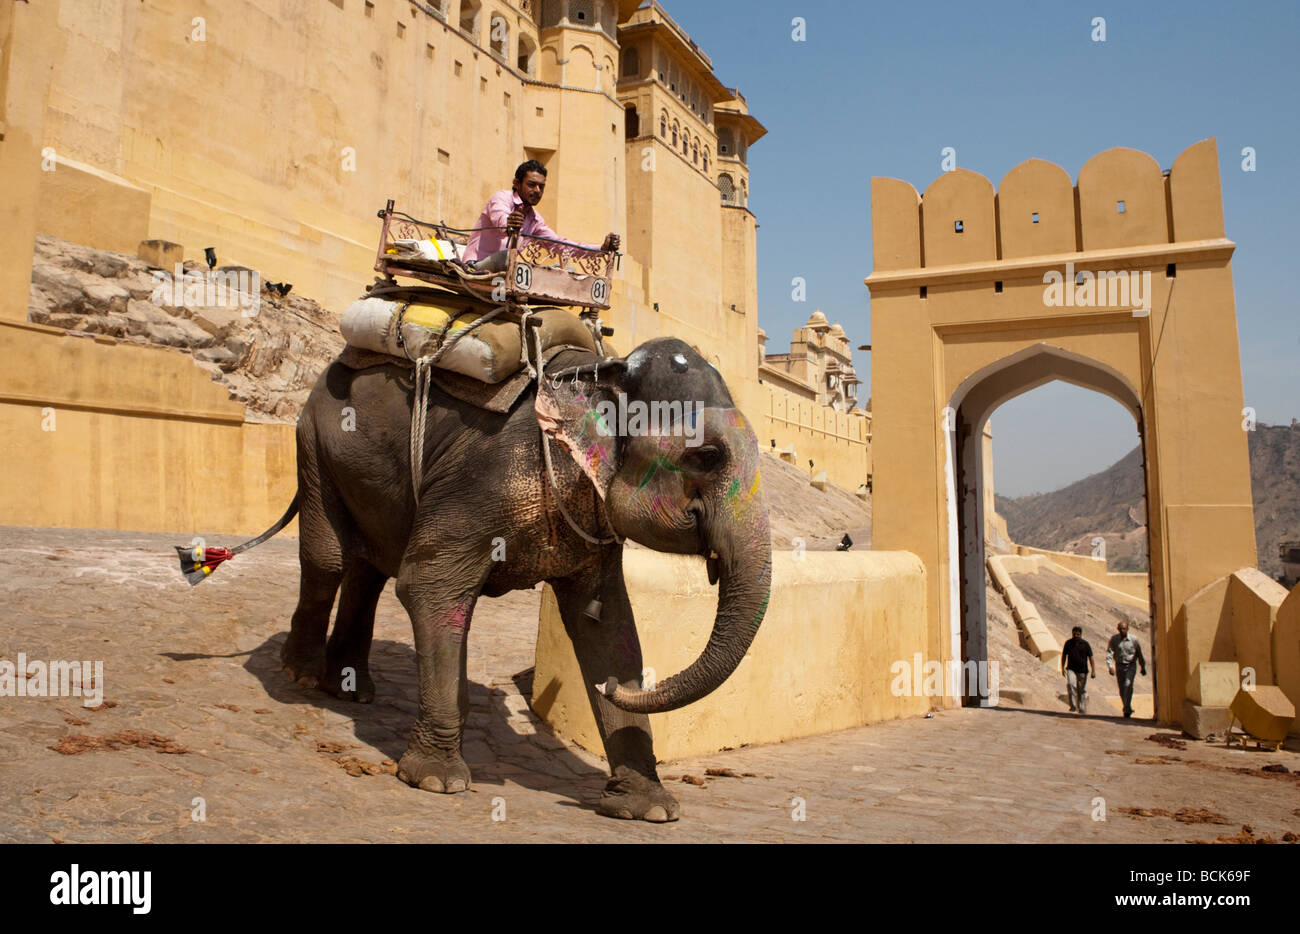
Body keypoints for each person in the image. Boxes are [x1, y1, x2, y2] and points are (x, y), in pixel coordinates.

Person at [462, 160, 619, 272]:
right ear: (517, 183)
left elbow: (560, 245)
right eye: (532, 185)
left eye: (541, 187)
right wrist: (510, 224)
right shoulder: (502, 198)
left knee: (566, 271)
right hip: (477, 266)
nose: (537, 190)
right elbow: (501, 219)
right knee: (506, 257)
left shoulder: (535, 220)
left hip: (506, 272)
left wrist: (601, 248)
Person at [1106, 620, 1147, 718]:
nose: (1122, 630)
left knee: (1127, 685)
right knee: (1122, 689)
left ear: (1127, 629)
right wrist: (1110, 666)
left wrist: (1143, 667)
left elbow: (1139, 654)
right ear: (1118, 629)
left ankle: (1126, 708)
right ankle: (1127, 707)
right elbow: (1109, 652)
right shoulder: (1114, 639)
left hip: (1131, 665)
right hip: (1119, 665)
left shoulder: (1134, 640)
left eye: (1124, 628)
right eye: (1120, 629)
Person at [1060, 625, 1096, 714]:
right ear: (1072, 634)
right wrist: (1062, 667)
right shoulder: (1068, 643)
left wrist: (1093, 670)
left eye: (1078, 634)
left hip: (1082, 670)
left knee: (1081, 689)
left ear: (1081, 635)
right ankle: (1072, 706)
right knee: (1070, 684)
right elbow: (1064, 655)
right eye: (1074, 634)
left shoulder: (1085, 644)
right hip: (1071, 668)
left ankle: (1081, 707)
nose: (1076, 636)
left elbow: (1091, 657)